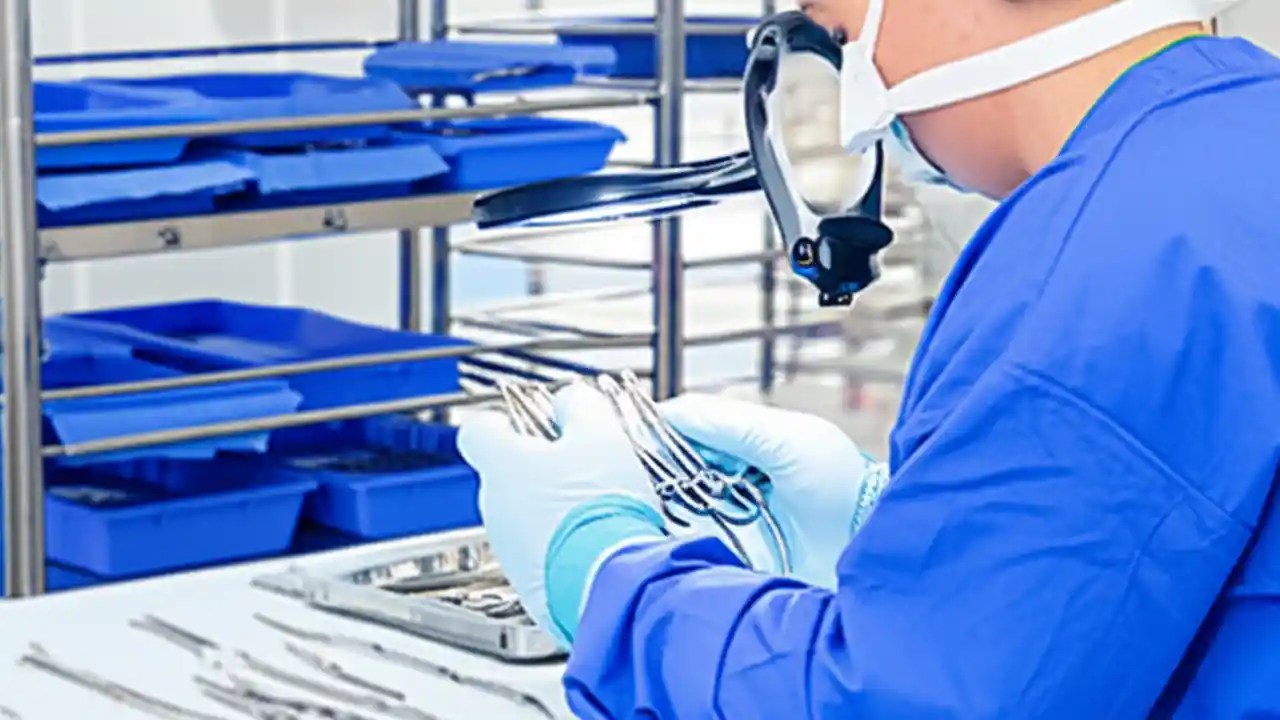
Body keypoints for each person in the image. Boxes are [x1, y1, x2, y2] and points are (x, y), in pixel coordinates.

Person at [458, 0, 1280, 716]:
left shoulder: (1109, 249)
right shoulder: (1245, 132)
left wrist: (611, 586)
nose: (862, 84)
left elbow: (904, 701)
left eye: (841, 34)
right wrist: (895, 519)